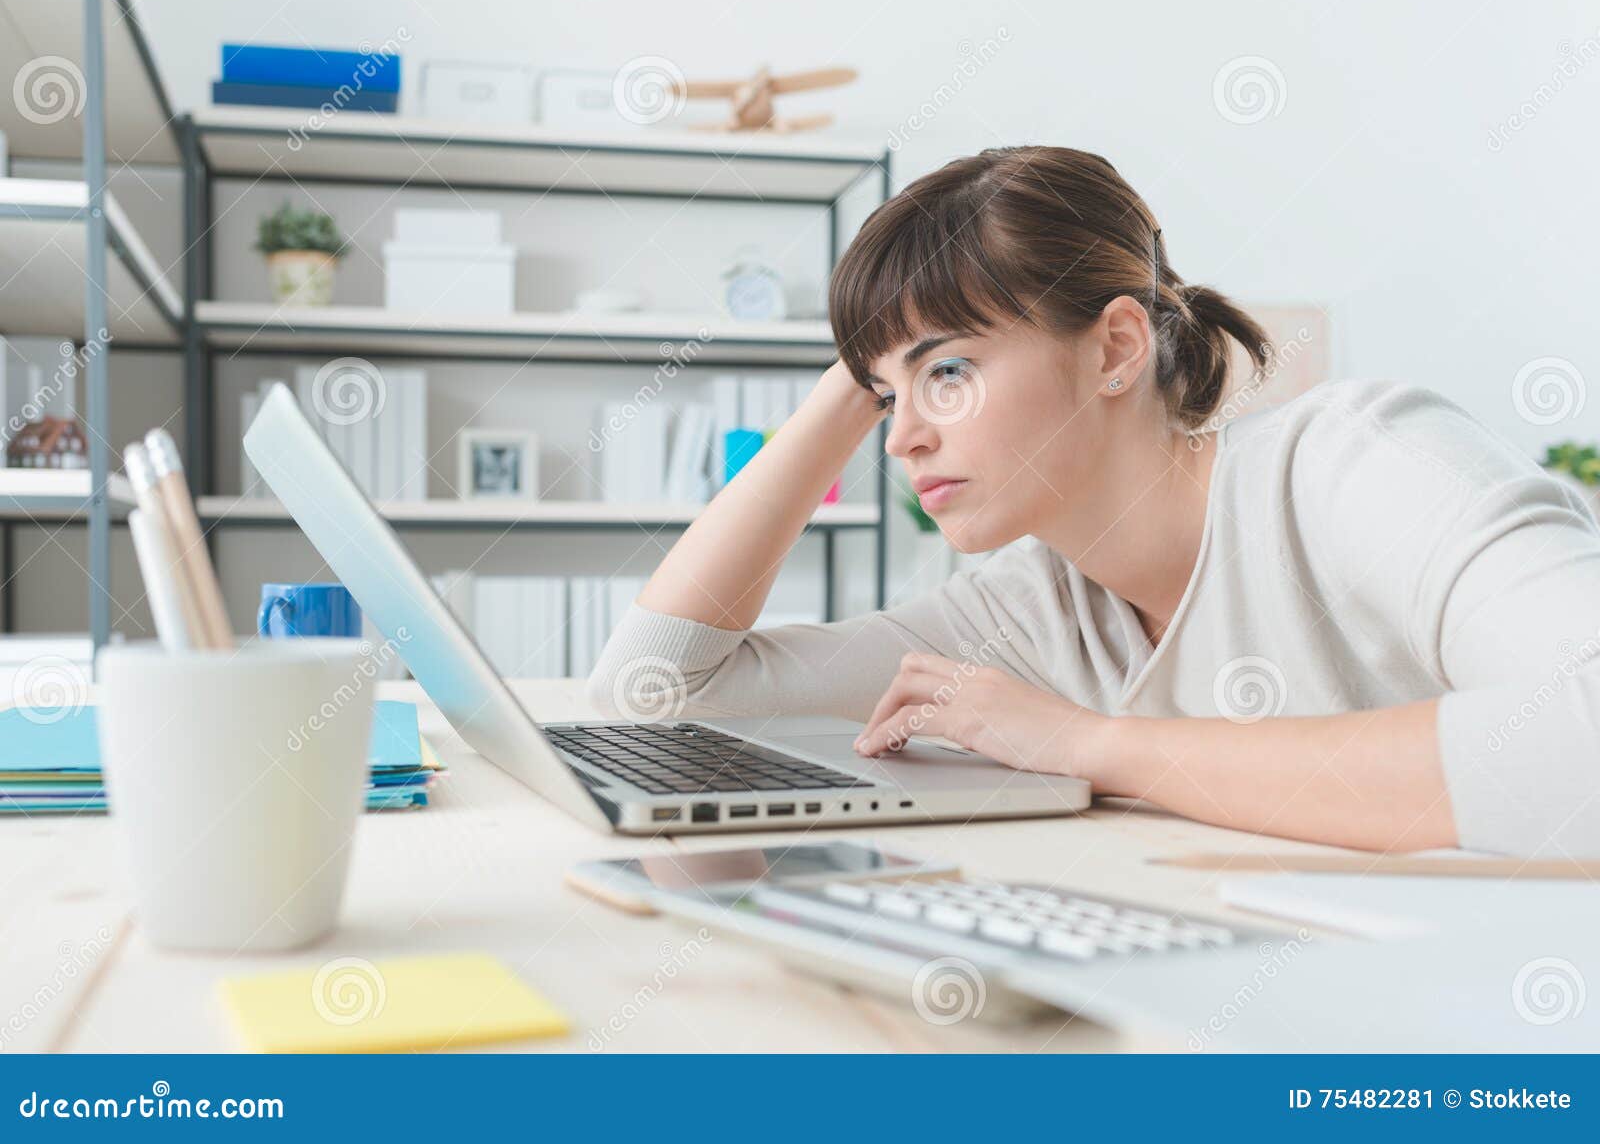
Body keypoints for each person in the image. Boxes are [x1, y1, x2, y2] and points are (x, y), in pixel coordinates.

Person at [589, 145, 1600, 858]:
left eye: (948, 371)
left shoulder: (1356, 467)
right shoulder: (1025, 613)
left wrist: (1088, 745)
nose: (900, 438)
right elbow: (655, 697)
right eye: (884, 397)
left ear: (1115, 347)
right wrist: (848, 382)